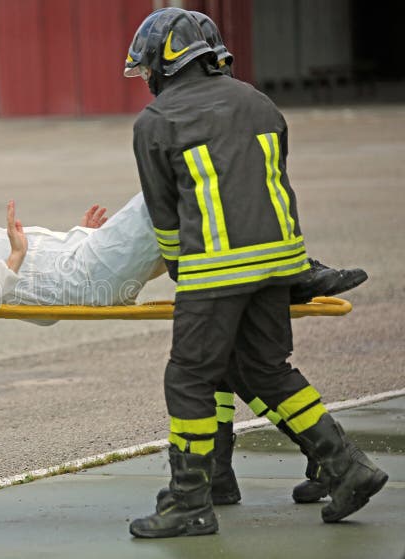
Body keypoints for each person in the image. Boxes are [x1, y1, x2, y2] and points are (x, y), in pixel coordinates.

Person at [123, 7, 387, 538]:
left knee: (189, 378)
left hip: (214, 271)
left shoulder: (155, 123)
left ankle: (190, 502)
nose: (147, 79)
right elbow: (274, 183)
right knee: (267, 370)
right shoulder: (259, 102)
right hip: (281, 264)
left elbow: (165, 217)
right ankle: (347, 466)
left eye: (147, 68)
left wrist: (180, 270)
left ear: (165, 63)